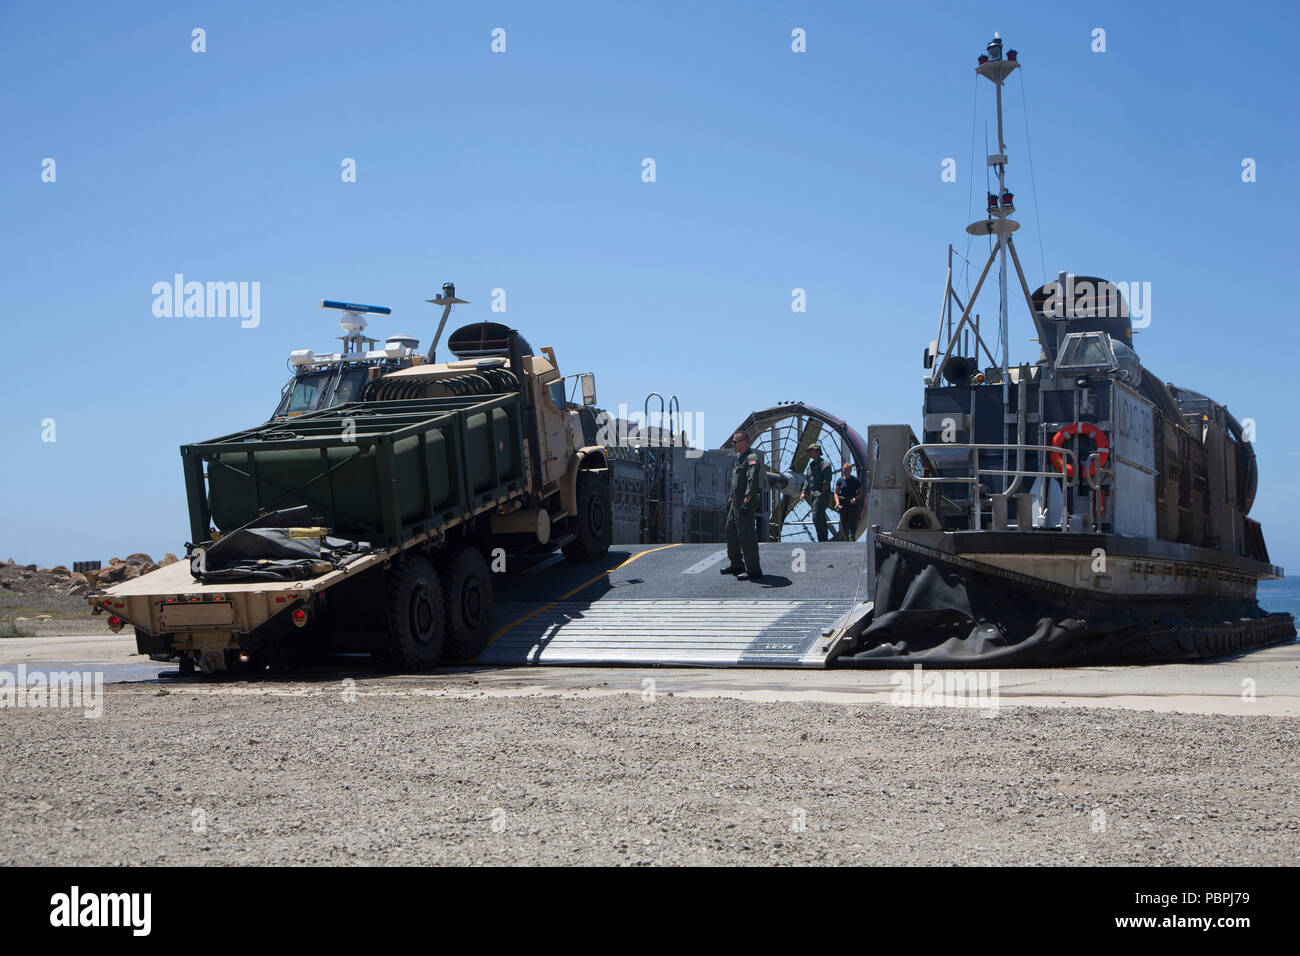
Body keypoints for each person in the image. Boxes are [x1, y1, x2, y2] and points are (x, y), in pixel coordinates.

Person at [720, 429, 765, 580]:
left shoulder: (751, 458)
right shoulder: (739, 458)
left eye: (735, 441)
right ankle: (736, 564)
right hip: (735, 503)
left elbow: (752, 481)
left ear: (744, 442)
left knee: (747, 536)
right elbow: (736, 483)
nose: (733, 444)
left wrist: (747, 500)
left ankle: (754, 569)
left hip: (745, 502)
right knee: (730, 532)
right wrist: (731, 500)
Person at [800, 443, 833, 542]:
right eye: (809, 451)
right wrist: (803, 491)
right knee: (819, 517)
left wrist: (823, 491)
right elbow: (807, 479)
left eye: (812, 451)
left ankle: (822, 538)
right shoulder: (810, 465)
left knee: (816, 516)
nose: (810, 453)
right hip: (813, 495)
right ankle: (823, 539)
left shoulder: (825, 464)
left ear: (818, 451)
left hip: (821, 494)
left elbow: (827, 479)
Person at [833, 461, 863, 541]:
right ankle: (846, 543)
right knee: (844, 527)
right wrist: (837, 503)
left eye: (847, 470)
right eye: (844, 469)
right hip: (843, 506)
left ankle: (852, 541)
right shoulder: (840, 481)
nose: (845, 471)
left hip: (852, 506)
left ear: (850, 470)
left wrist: (855, 498)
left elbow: (860, 492)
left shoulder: (855, 480)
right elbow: (836, 493)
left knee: (851, 527)